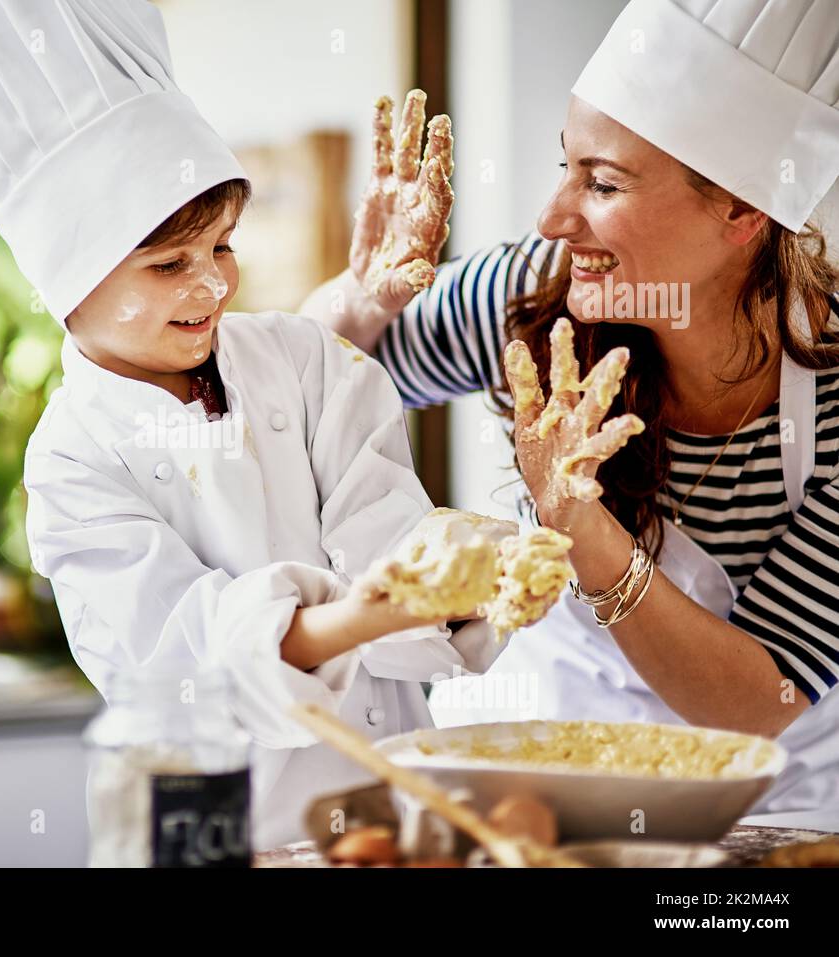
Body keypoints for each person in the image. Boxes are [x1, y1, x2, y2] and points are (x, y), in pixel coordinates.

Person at [0, 0, 638, 848]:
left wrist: (496, 568)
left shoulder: (304, 359)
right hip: (223, 834)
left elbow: (394, 541)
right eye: (169, 265)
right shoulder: (70, 461)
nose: (213, 287)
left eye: (222, 247)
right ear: (68, 281)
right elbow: (195, 665)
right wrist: (384, 604)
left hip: (389, 818)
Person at [303, 0, 839, 825]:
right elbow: (300, 398)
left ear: (741, 209)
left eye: (603, 182)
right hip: (555, 800)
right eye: (566, 167)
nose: (554, 217)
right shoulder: (537, 293)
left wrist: (579, 525)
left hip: (777, 821)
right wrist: (360, 297)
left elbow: (755, 701)